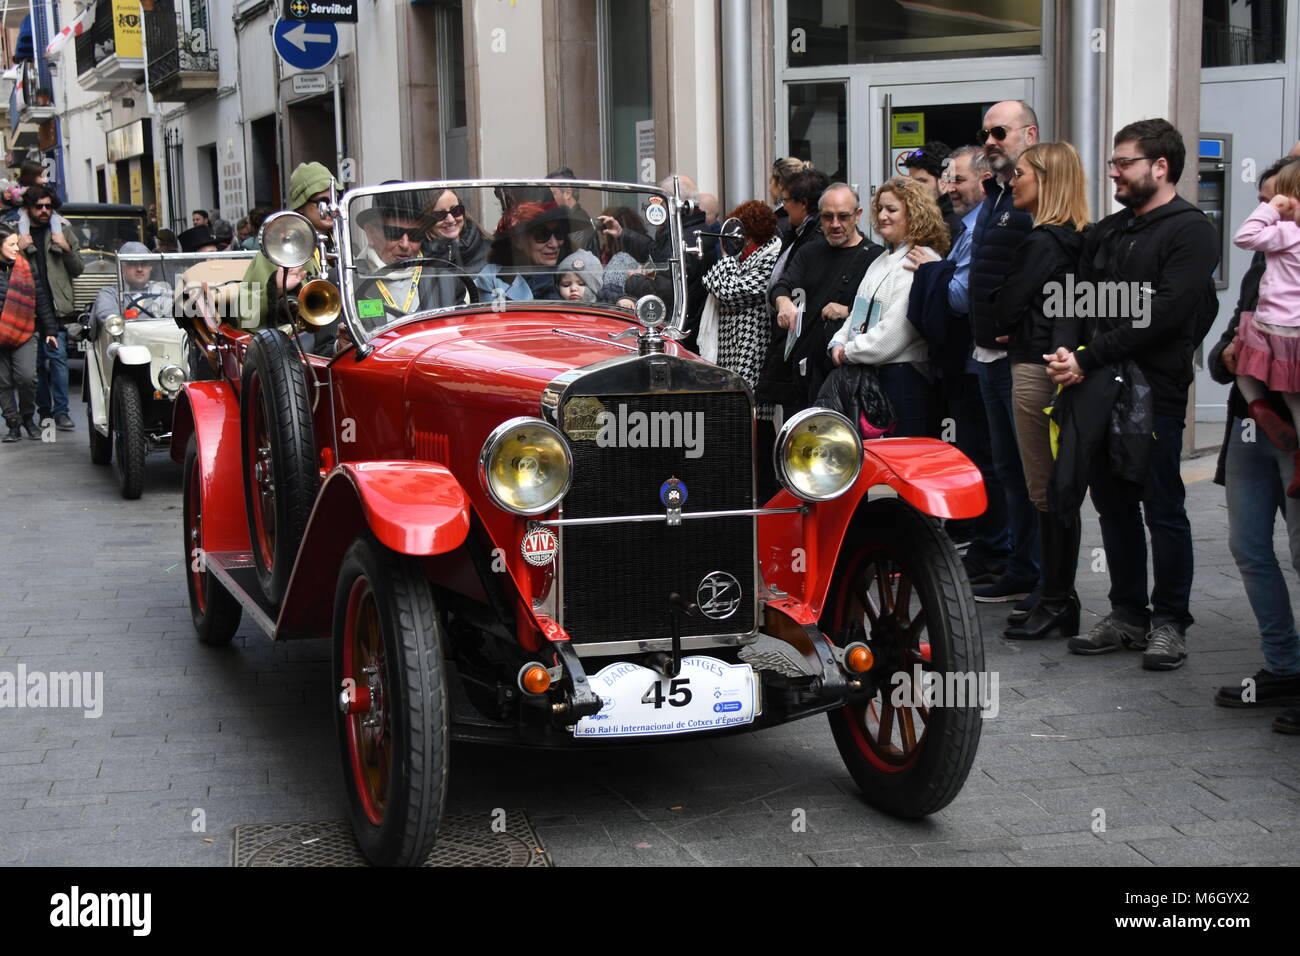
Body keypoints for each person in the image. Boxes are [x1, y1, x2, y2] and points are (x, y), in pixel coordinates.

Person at [1050, 118, 1220, 670]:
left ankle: (1169, 622)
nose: (1113, 171)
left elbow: (1165, 314)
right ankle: (1126, 615)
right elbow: (1074, 296)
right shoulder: (1110, 229)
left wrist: (1088, 355)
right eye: (1115, 162)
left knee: (1162, 507)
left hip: (1155, 395)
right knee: (1113, 505)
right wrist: (1066, 353)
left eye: (1124, 162)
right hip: (1097, 390)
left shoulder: (1191, 229)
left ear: (1160, 167)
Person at [1208, 155, 1300, 731]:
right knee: (1248, 545)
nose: (1267, 212)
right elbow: (1233, 333)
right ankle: (1284, 665)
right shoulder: (1263, 258)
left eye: (1277, 199)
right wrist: (1226, 358)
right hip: (1250, 422)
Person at [990, 142, 1090, 640]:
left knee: (1045, 490)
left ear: (1047, 180)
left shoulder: (1041, 241)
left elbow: (1005, 306)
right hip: (1058, 365)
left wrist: (1010, 314)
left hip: (1035, 368)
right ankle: (1055, 597)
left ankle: (1055, 599)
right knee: (1056, 487)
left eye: (1022, 173)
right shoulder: (1078, 238)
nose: (1012, 182)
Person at [964, 100, 1041, 604]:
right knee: (1006, 468)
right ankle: (1018, 562)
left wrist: (1026, 327)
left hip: (1020, 358)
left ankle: (1038, 574)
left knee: (1033, 474)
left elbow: (1047, 270)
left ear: (1028, 135)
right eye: (986, 133)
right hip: (986, 353)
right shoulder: (995, 195)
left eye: (1000, 132)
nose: (990, 141)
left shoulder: (1040, 195)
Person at [827, 177, 950, 436]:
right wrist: (837, 343)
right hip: (871, 375)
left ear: (913, 213)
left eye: (891, 210)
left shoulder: (920, 259)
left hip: (903, 381)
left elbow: (896, 332)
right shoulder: (882, 259)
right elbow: (857, 312)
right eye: (880, 209)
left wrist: (846, 352)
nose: (882, 216)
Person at [770, 183, 882, 409]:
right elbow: (783, 284)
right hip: (804, 371)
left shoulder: (875, 258)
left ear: (858, 215)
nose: (835, 224)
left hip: (845, 377)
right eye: (827, 217)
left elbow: (883, 313)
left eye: (843, 216)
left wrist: (848, 312)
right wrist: (784, 303)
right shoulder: (810, 252)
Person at [1230, 161, 1300, 495]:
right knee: (1294, 395)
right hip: (1296, 331)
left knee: (1244, 360)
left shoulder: (1286, 232)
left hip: (1270, 323)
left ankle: (1257, 405)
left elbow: (1244, 237)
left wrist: (1270, 210)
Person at [239, 162, 338, 332]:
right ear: (300, 207)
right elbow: (247, 316)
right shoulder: (275, 251)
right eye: (323, 201)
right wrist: (275, 290)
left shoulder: (345, 246)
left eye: (336, 199)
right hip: (303, 348)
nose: (331, 207)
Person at [20, 185, 81, 433]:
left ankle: (62, 412)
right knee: (36, 366)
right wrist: (20, 249)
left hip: (58, 309)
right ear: (28, 208)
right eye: (39, 206)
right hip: (28, 309)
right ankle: (44, 410)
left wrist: (66, 247)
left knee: (58, 360)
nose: (44, 211)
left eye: (48, 206)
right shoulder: (18, 234)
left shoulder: (63, 230)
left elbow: (78, 269)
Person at [0, 225, 59, 442]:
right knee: (4, 383)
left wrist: (50, 329)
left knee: (27, 377)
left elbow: (41, 299)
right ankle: (13, 424)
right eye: (11, 244)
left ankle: (28, 417)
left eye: (17, 243)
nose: (17, 247)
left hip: (25, 330)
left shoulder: (25, 268)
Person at [354, 196, 449, 329]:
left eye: (415, 235)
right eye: (394, 233)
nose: (405, 245)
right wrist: (340, 344)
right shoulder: (346, 282)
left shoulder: (447, 280)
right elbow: (325, 347)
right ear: (370, 233)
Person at [475, 201, 578, 302]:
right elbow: (491, 317)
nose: (554, 244)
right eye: (542, 235)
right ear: (518, 241)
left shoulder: (580, 270)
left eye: (559, 233)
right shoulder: (493, 278)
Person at [91, 241, 172, 326]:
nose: (140, 269)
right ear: (121, 266)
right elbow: (108, 316)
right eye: (133, 263)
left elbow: (174, 320)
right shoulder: (109, 294)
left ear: (150, 267)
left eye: (144, 263)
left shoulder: (162, 292)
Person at [422, 188, 489, 279]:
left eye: (455, 211)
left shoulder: (490, 250)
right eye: (440, 215)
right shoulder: (416, 256)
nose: (451, 220)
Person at [901, 141, 963, 239]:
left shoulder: (957, 224)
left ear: (944, 182)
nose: (913, 188)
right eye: (911, 181)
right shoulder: (910, 217)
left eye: (921, 181)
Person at [769, 157, 812, 237]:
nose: (769, 189)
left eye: (770, 181)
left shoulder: (782, 224)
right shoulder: (804, 217)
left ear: (779, 185)